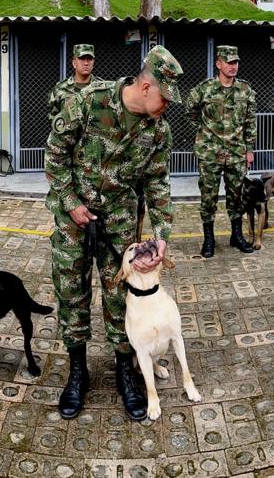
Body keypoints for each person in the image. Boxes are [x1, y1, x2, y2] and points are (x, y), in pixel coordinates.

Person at [44, 45, 182, 421]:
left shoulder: (158, 131)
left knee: (121, 297)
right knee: (71, 293)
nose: (167, 106)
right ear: (146, 86)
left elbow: (157, 182)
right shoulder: (89, 103)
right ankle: (77, 371)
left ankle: (125, 370)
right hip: (73, 221)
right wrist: (72, 202)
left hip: (120, 222)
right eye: (165, 98)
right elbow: (54, 155)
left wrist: (163, 231)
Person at [186, 44, 257, 258]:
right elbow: (190, 110)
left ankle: (236, 235)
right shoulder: (204, 89)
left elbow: (250, 121)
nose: (233, 66)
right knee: (209, 197)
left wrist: (249, 149)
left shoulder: (245, 90)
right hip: (210, 153)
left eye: (236, 62)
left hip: (236, 152)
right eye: (229, 62)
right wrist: (204, 131)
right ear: (218, 64)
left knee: (237, 197)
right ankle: (209, 239)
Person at [48, 44, 103, 122]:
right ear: (74, 63)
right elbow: (53, 118)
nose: (86, 63)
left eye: (89, 59)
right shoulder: (60, 89)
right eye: (82, 59)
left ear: (93, 63)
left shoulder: (103, 88)